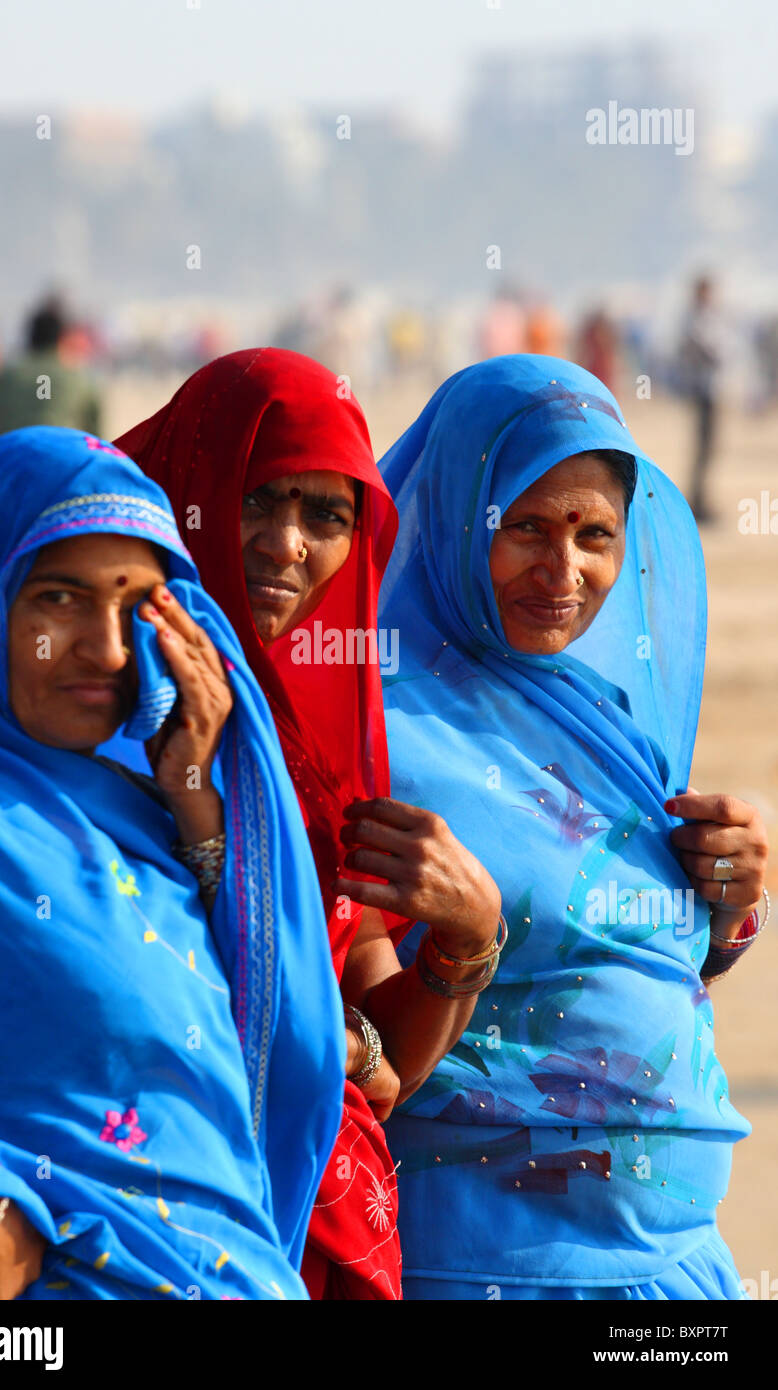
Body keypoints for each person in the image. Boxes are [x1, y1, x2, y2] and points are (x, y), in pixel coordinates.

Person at [0, 426, 344, 1300]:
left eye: (136, 606)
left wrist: (197, 799)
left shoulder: (142, 812)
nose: (108, 650)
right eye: (59, 599)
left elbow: (262, 1052)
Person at [114, 348, 506, 1299]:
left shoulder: (329, 742)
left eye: (327, 515)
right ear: (186, 494)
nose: (287, 544)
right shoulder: (92, 723)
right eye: (256, 498)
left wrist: (469, 934)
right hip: (144, 1223)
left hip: (314, 1236)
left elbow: (377, 1059)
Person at [377, 354, 769, 1300]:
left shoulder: (607, 719)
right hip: (490, 1260)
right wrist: (460, 947)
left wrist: (729, 905)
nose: (565, 571)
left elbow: (602, 950)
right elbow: (354, 1025)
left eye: (596, 534)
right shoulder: (377, 738)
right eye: (526, 528)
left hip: (673, 1261)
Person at [0, 296, 101, 439]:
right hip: (64, 456)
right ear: (61, 339)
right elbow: (97, 440)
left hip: (11, 454)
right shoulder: (80, 380)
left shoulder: (1, 378)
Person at [677, 276, 723, 522]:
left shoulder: (708, 317)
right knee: (702, 448)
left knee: (709, 448)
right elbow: (709, 350)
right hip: (702, 389)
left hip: (711, 389)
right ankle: (697, 502)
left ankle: (701, 499)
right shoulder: (693, 319)